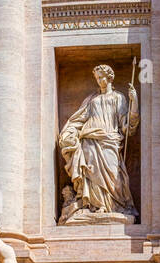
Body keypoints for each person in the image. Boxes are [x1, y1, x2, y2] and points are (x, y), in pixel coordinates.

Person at [58, 65, 139, 221]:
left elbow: (127, 124)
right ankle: (94, 206)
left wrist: (134, 101)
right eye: (97, 78)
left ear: (110, 77)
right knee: (91, 172)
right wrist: (69, 132)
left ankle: (115, 207)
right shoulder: (91, 100)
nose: (100, 80)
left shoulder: (118, 97)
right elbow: (78, 119)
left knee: (113, 173)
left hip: (110, 139)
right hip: (89, 139)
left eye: (102, 77)